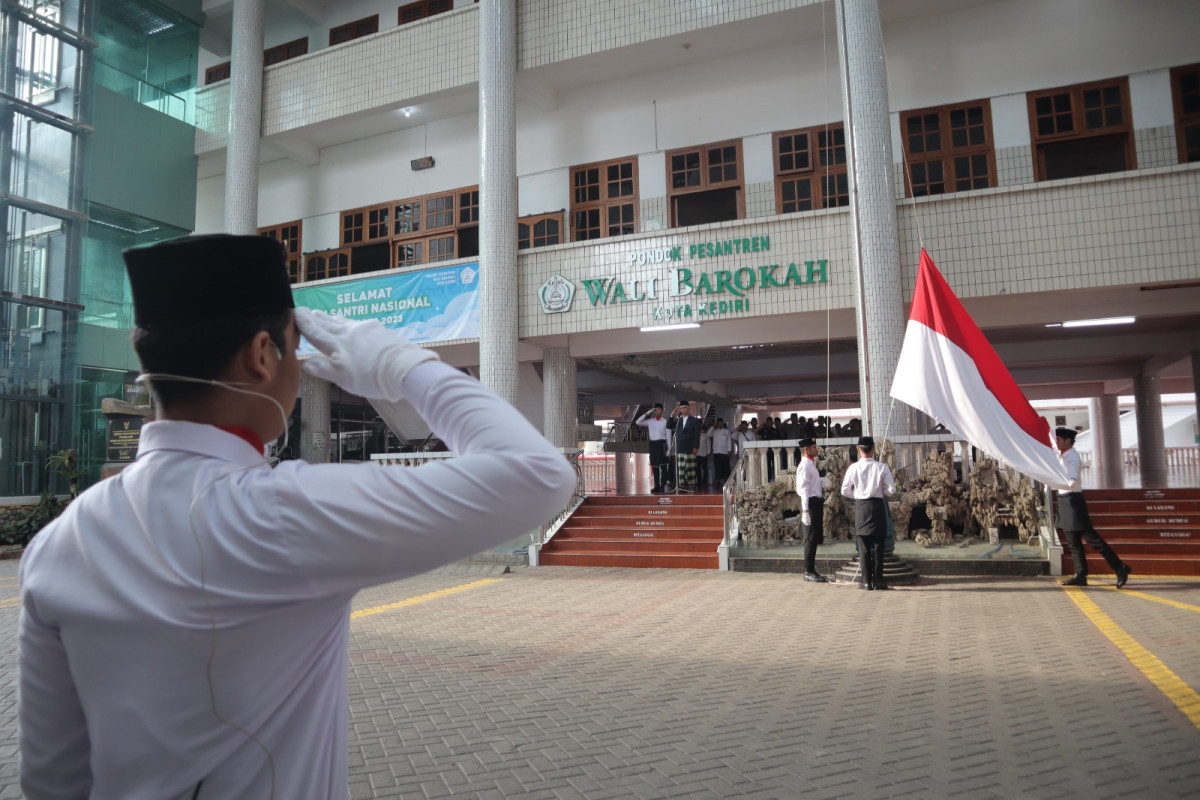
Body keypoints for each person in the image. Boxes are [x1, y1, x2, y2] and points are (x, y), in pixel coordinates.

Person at [17, 234, 576, 800]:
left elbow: (51, 777)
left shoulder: (59, 542)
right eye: (296, 349)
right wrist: (403, 366)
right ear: (262, 356)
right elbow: (538, 473)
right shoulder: (282, 515)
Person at [1055, 427, 1132, 588]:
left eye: (1059, 439)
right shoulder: (1062, 456)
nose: (1057, 442)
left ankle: (1120, 567)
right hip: (1064, 500)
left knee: (1093, 539)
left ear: (1068, 441)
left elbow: (1072, 478)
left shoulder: (1072, 457)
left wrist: (1062, 480)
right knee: (1073, 543)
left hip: (1073, 501)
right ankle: (1080, 574)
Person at [841, 435, 896, 590]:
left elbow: (844, 490)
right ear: (874, 449)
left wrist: (858, 495)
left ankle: (866, 582)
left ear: (858, 449)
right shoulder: (882, 467)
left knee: (864, 547)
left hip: (861, 508)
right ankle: (878, 581)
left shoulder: (853, 468)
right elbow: (892, 489)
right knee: (879, 546)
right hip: (878, 507)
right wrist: (881, 490)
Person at [794, 437, 827, 582]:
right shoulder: (805, 466)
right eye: (814, 447)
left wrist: (821, 483)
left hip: (816, 502)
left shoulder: (812, 464)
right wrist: (805, 511)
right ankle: (808, 570)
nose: (816, 449)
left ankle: (812, 569)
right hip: (810, 504)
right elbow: (804, 490)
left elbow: (812, 484)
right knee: (810, 539)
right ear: (806, 449)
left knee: (814, 538)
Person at [667, 401, 703, 491]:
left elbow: (697, 435)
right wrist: (672, 415)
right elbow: (669, 425)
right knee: (681, 468)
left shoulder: (694, 420)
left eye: (685, 408)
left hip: (690, 447)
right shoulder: (678, 420)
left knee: (690, 468)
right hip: (680, 447)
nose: (683, 410)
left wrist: (696, 447)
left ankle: (691, 485)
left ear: (689, 408)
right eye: (681, 408)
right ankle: (681, 485)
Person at [635, 402, 670, 493]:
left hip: (662, 443)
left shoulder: (665, 422)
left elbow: (669, 436)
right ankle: (656, 486)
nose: (656, 411)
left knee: (663, 467)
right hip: (653, 444)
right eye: (655, 409)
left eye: (658, 409)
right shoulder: (650, 421)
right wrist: (648, 413)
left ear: (662, 410)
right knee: (654, 467)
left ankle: (663, 485)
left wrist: (669, 448)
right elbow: (637, 422)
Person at [709, 418, 733, 485]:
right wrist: (713, 426)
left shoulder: (726, 431)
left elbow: (729, 441)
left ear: (722, 423)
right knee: (717, 466)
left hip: (724, 452)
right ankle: (719, 479)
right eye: (718, 423)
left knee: (725, 466)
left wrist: (729, 450)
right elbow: (708, 434)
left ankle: (726, 479)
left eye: (720, 423)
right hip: (716, 452)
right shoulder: (714, 431)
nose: (719, 424)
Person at [696, 420, 711, 487]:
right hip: (696, 454)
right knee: (697, 468)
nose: (700, 425)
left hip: (704, 453)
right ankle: (699, 481)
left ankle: (705, 481)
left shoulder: (706, 434)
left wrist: (708, 451)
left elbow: (708, 443)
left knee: (704, 468)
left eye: (701, 424)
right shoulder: (695, 434)